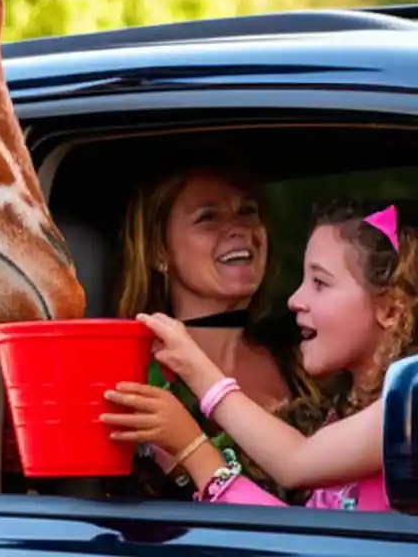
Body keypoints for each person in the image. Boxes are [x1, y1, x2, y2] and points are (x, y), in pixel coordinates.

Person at [103, 200, 417, 511]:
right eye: (208, 217)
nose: (294, 299)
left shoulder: (407, 407)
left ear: (390, 310)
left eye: (320, 283)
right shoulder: (347, 407)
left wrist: (194, 447)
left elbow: (295, 464)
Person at [113, 152, 322, 498]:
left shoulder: (306, 356)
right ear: (157, 251)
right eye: (208, 218)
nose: (239, 228)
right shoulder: (137, 380)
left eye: (248, 211)